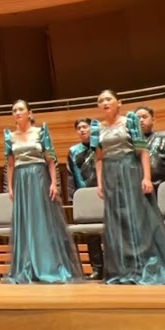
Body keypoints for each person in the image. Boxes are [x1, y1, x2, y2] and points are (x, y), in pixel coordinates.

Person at [94, 90, 165, 286]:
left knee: (138, 219)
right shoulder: (97, 128)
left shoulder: (130, 122)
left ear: (119, 102)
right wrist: (100, 183)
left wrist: (146, 177)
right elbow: (99, 158)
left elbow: (143, 152)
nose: (104, 102)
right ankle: (123, 269)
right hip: (110, 174)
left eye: (108, 99)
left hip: (130, 170)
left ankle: (146, 266)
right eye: (100, 100)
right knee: (118, 222)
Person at [4, 100, 81, 284]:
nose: (17, 113)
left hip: (39, 177)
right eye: (14, 110)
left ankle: (49, 265)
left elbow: (51, 160)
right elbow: (10, 164)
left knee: (42, 221)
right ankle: (27, 266)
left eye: (20, 109)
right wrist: (10, 187)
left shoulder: (41, 132)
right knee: (26, 222)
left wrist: (54, 183)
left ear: (29, 113)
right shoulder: (9, 136)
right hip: (21, 180)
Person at [67, 118, 103, 279]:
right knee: (91, 235)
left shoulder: (101, 146)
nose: (82, 130)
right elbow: (70, 176)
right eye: (79, 128)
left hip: (103, 193)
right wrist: (74, 197)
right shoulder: (73, 151)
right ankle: (97, 268)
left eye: (85, 127)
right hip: (85, 195)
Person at [137, 107, 165, 196]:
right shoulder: (130, 143)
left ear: (153, 120)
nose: (141, 120)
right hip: (140, 189)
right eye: (137, 118)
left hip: (164, 187)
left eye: (144, 117)